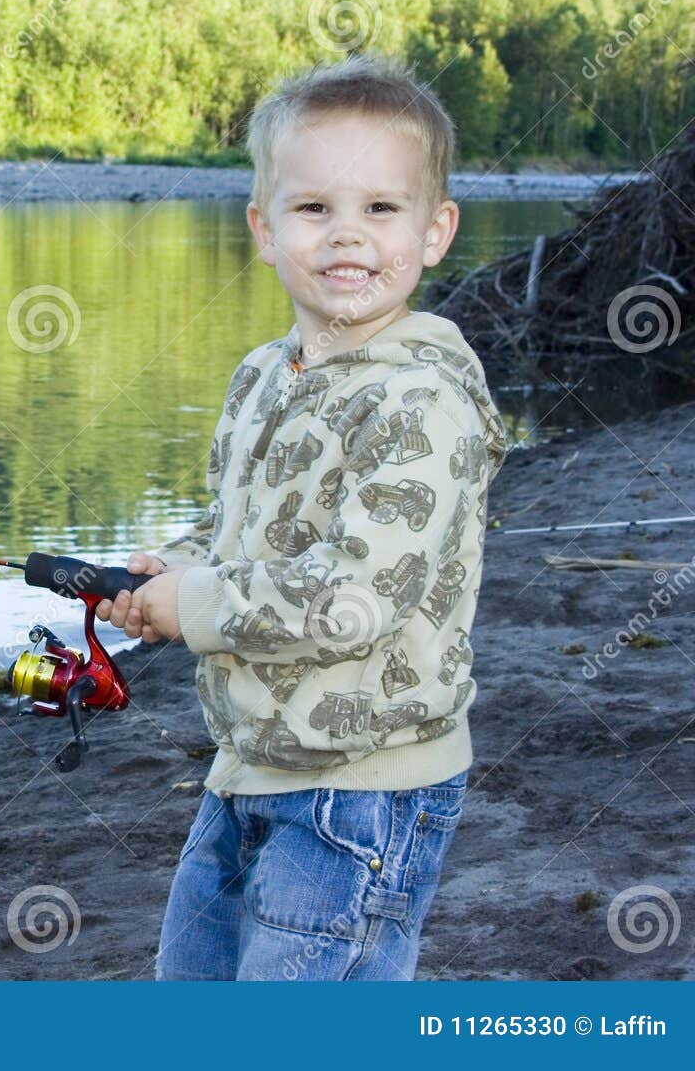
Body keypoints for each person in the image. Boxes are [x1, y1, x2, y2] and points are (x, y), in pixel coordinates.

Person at [99, 53, 508, 980]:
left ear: (436, 230)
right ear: (264, 229)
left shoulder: (419, 403)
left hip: (364, 788)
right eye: (315, 209)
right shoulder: (260, 375)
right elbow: (235, 535)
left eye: (381, 209)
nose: (347, 237)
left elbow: (354, 597)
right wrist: (168, 573)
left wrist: (197, 607)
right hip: (248, 763)